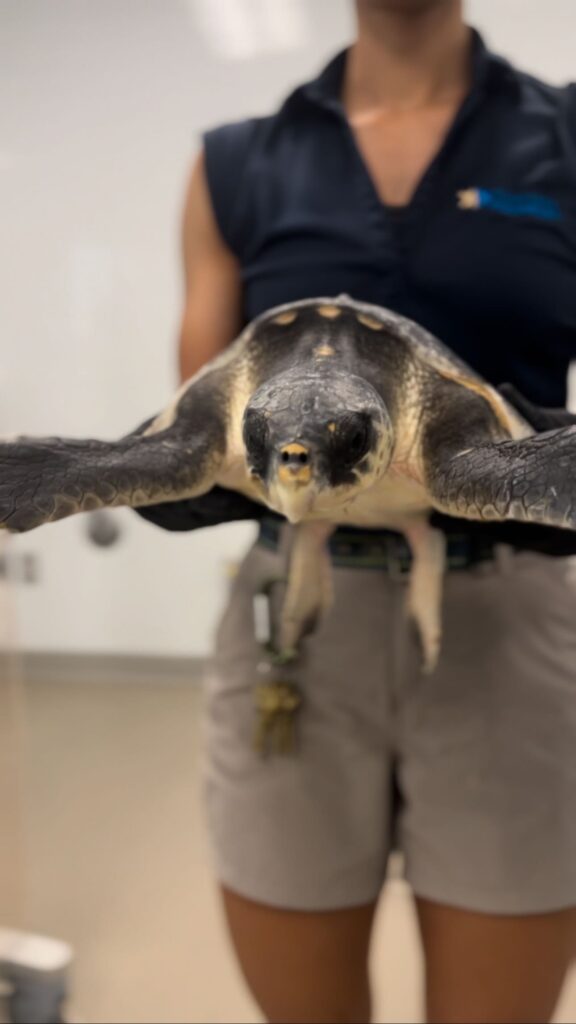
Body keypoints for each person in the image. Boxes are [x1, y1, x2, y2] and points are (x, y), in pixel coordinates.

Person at [146, 2, 576, 1020]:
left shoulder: (561, 137)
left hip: (509, 610)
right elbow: (202, 416)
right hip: (298, 618)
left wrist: (479, 464)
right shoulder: (238, 163)